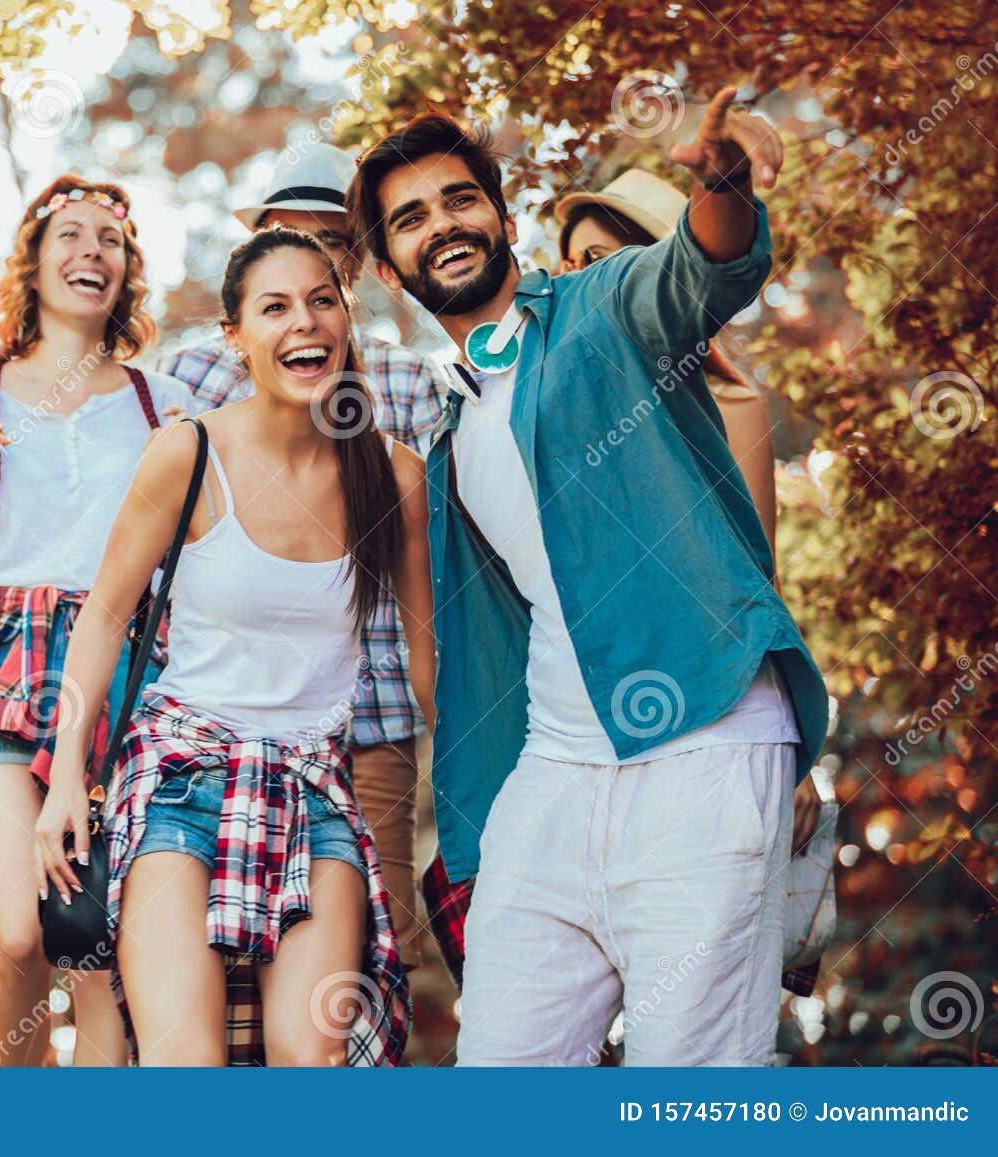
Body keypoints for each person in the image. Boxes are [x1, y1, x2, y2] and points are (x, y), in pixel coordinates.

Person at [348, 86, 831, 1065]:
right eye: (410, 218)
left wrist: (723, 186)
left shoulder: (598, 310)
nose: (440, 224)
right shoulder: (446, 433)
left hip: (701, 752)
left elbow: (702, 268)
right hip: (549, 783)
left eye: (457, 198)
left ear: (499, 210)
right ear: (393, 264)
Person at [36, 226, 436, 1065]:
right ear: (237, 335)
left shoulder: (390, 475)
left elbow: (428, 655)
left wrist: (484, 793)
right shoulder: (188, 453)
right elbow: (106, 614)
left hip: (312, 787)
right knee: (187, 1065)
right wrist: (66, 773)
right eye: (276, 306)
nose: (306, 323)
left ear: (347, 317)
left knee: (311, 1056)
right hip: (179, 778)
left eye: (322, 301)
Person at [0, 176, 195, 1067]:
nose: (91, 253)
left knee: (95, 941)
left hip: (126, 660)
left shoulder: (159, 402)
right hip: (3, 659)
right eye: (71, 236)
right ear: (34, 260)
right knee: (19, 931)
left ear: (128, 273)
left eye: (111, 241)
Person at [160, 144, 449, 983]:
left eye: (336, 241)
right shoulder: (192, 377)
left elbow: (441, 560)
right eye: (295, 234)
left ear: (357, 263)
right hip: (217, 728)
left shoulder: (408, 385)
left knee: (367, 954)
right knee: (210, 962)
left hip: (371, 719)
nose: (317, 254)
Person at [554, 167, 778, 552]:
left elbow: (757, 569)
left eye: (596, 259)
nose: (576, 280)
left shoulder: (733, 408)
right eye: (568, 265)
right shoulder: (550, 402)